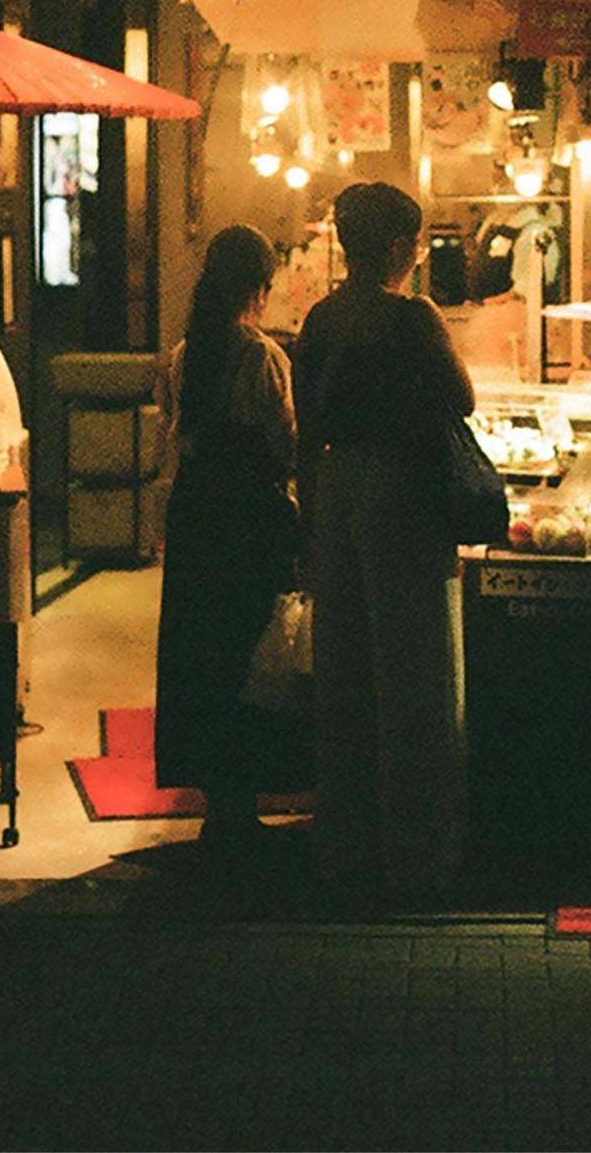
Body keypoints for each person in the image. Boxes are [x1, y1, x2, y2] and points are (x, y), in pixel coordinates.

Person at [293, 182, 477, 904]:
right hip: (401, 491)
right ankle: (418, 857)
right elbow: (461, 398)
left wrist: (308, 525)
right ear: (402, 247)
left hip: (336, 489)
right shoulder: (412, 317)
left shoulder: (320, 318)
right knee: (416, 679)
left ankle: (342, 849)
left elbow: (307, 430)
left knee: (343, 678)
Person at [152, 226, 298, 859]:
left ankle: (219, 804)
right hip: (247, 517)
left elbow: (173, 430)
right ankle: (243, 808)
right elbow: (283, 445)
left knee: (198, 658)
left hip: (196, 514)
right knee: (248, 658)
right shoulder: (261, 356)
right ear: (258, 288)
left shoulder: (187, 353)